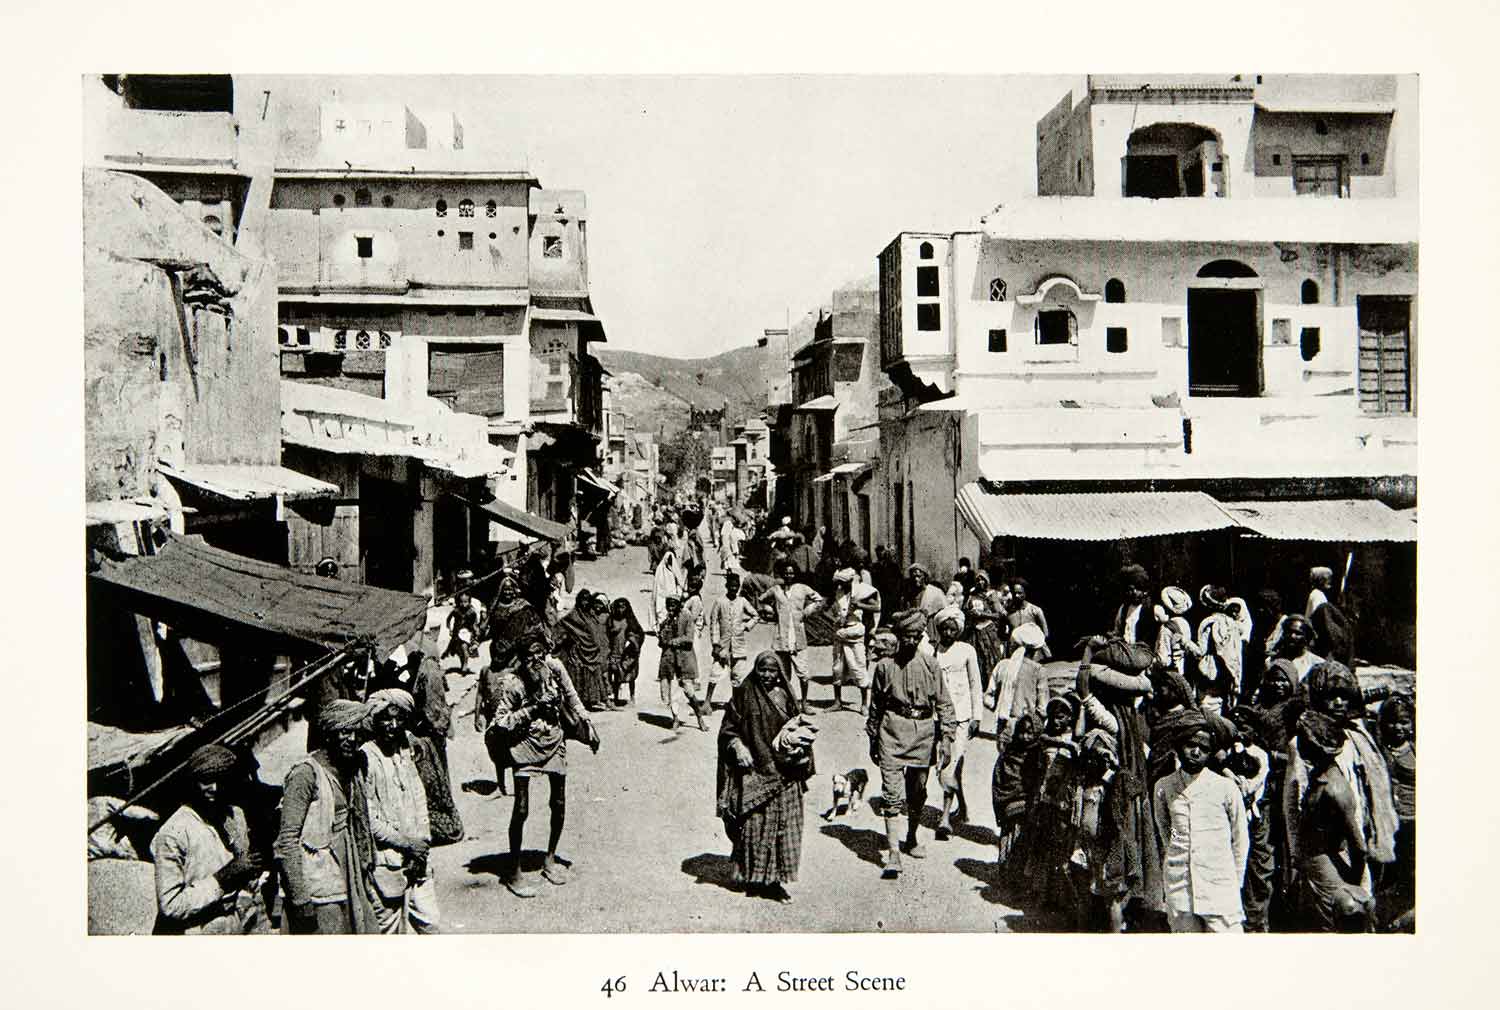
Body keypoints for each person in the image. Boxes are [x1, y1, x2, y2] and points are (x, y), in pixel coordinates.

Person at [488, 630, 599, 898]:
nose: (536, 659)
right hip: (524, 743)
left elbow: (572, 697)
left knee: (558, 802)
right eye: (530, 656)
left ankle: (549, 859)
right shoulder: (514, 684)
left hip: (553, 738)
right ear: (522, 658)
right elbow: (501, 721)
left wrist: (587, 723)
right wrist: (534, 708)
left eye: (540, 653)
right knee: (522, 808)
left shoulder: (555, 670)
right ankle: (514, 871)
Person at [716, 651, 817, 903]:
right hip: (755, 771)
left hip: (785, 773)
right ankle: (751, 877)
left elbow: (799, 726)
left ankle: (773, 882)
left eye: (773, 670)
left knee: (782, 827)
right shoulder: (743, 695)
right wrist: (738, 746)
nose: (768, 675)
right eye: (763, 669)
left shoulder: (787, 696)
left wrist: (800, 750)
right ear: (755, 669)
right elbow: (728, 730)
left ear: (780, 672)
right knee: (754, 826)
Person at [866, 610, 957, 878]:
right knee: (892, 794)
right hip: (891, 731)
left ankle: (912, 836)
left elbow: (944, 704)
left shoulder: (931, 665)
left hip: (923, 734)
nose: (911, 641)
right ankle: (893, 853)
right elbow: (876, 706)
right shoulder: (884, 666)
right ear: (898, 637)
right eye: (906, 636)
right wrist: (873, 737)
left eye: (916, 636)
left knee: (917, 791)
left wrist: (947, 739)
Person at [274, 700, 376, 933]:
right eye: (345, 732)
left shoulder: (350, 767)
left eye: (357, 733)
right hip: (317, 879)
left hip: (347, 868)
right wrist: (300, 899)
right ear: (329, 734)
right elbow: (287, 841)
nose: (352, 739)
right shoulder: (305, 775)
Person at [151, 744, 268, 934]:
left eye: (222, 781)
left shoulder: (234, 815)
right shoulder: (174, 832)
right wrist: (223, 878)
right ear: (192, 782)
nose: (214, 788)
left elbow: (250, 887)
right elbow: (170, 906)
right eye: (206, 781)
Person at [1152, 713, 1250, 933]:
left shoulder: (1225, 788)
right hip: (1181, 887)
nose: (1196, 752)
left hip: (1220, 885)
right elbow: (1167, 832)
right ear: (1179, 746)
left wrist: (1234, 883)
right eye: (1190, 745)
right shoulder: (1164, 787)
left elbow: (1240, 839)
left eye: (1204, 748)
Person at [359, 689, 439, 934]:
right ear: (375, 721)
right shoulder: (366, 757)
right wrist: (406, 844)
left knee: (431, 923)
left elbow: (418, 797)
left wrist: (421, 844)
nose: (393, 725)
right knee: (389, 928)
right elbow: (369, 818)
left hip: (417, 856)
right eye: (386, 719)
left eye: (399, 719)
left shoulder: (405, 750)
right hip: (387, 861)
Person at [1291, 710, 1376, 932]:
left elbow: (1359, 847)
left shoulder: (1335, 790)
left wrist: (1352, 888)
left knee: (1329, 929)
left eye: (1302, 738)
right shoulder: (1319, 776)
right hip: (1314, 866)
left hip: (1329, 870)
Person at [931, 607, 982, 840]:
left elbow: (975, 684)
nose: (948, 633)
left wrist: (976, 716)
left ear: (959, 630)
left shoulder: (967, 651)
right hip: (936, 716)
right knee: (948, 764)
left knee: (949, 765)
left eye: (953, 629)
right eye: (944, 629)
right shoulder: (933, 651)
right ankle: (962, 806)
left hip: (961, 716)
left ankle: (944, 818)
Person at [758, 560, 824, 715]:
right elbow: (761, 600)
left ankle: (805, 703)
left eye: (792, 572)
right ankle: (785, 703)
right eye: (786, 573)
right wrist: (770, 611)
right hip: (781, 638)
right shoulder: (776, 590)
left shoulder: (802, 588)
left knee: (803, 673)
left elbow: (819, 600)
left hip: (798, 637)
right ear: (783, 574)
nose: (789, 575)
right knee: (783, 674)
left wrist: (806, 612)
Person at [1377, 695, 1416, 931]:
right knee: (1387, 874)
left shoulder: (1416, 751)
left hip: (1412, 821)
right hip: (1386, 820)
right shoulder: (1378, 749)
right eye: (1392, 722)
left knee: (1409, 874)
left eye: (1404, 722)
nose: (1398, 728)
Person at [1193, 585, 1253, 712]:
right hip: (1226, 672)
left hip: (1210, 673)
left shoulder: (1209, 623)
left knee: (1206, 707)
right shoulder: (1233, 624)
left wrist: (1186, 643)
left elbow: (1200, 651)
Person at [827, 567, 879, 714]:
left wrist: (859, 605)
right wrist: (834, 619)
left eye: (842, 583)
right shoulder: (838, 592)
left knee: (859, 666)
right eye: (838, 583)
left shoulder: (861, 591)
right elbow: (826, 606)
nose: (840, 586)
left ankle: (864, 704)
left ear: (850, 581)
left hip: (855, 632)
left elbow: (876, 607)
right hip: (840, 632)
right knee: (837, 667)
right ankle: (837, 701)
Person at [556, 589, 613, 712]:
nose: (585, 603)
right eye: (583, 600)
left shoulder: (591, 615)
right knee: (579, 676)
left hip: (592, 652)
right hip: (578, 653)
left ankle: (593, 700)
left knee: (594, 676)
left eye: (587, 600)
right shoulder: (573, 616)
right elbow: (561, 626)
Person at [658, 595, 707, 733]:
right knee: (672, 692)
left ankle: (699, 717)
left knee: (689, 691)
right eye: (669, 605)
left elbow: (689, 638)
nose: (671, 607)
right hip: (669, 660)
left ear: (678, 605)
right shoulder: (666, 620)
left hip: (684, 659)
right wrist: (662, 634)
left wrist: (674, 641)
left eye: (674, 604)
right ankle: (675, 718)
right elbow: (661, 642)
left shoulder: (687, 616)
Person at [709, 570, 760, 699]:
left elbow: (755, 616)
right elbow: (713, 623)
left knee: (738, 675)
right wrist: (715, 643)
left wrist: (746, 626)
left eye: (736, 586)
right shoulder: (720, 602)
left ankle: (736, 703)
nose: (733, 588)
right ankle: (707, 701)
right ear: (726, 586)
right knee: (715, 672)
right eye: (731, 585)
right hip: (723, 644)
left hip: (738, 644)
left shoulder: (742, 601)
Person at [606, 597, 646, 707]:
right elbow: (607, 634)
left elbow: (639, 633)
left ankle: (632, 697)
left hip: (628, 653)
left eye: (623, 607)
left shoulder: (630, 620)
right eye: (618, 607)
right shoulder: (611, 620)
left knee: (630, 675)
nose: (620, 610)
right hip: (615, 650)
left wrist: (633, 643)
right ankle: (616, 697)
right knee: (616, 674)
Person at [1111, 565, 1159, 648]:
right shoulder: (1124, 608)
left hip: (1142, 652)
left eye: (1138, 589)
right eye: (1131, 589)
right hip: (1123, 649)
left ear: (1145, 591)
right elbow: (1117, 631)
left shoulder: (1152, 609)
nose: (1134, 592)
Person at [1271, 614, 1323, 683]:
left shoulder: (1316, 664)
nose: (1292, 636)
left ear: (1307, 637)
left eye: (1298, 633)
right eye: (1289, 632)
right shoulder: (1272, 660)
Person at [1007, 578, 1051, 660]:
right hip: (1016, 652)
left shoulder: (1035, 610)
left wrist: (1035, 642)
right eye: (1014, 593)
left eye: (1019, 593)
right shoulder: (1008, 613)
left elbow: (1046, 633)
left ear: (1025, 593)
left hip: (1035, 652)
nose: (1016, 596)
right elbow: (1002, 633)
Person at [650, 535, 685, 629]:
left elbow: (679, 578)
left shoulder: (671, 569)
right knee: (661, 610)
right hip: (661, 595)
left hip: (669, 594)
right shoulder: (660, 569)